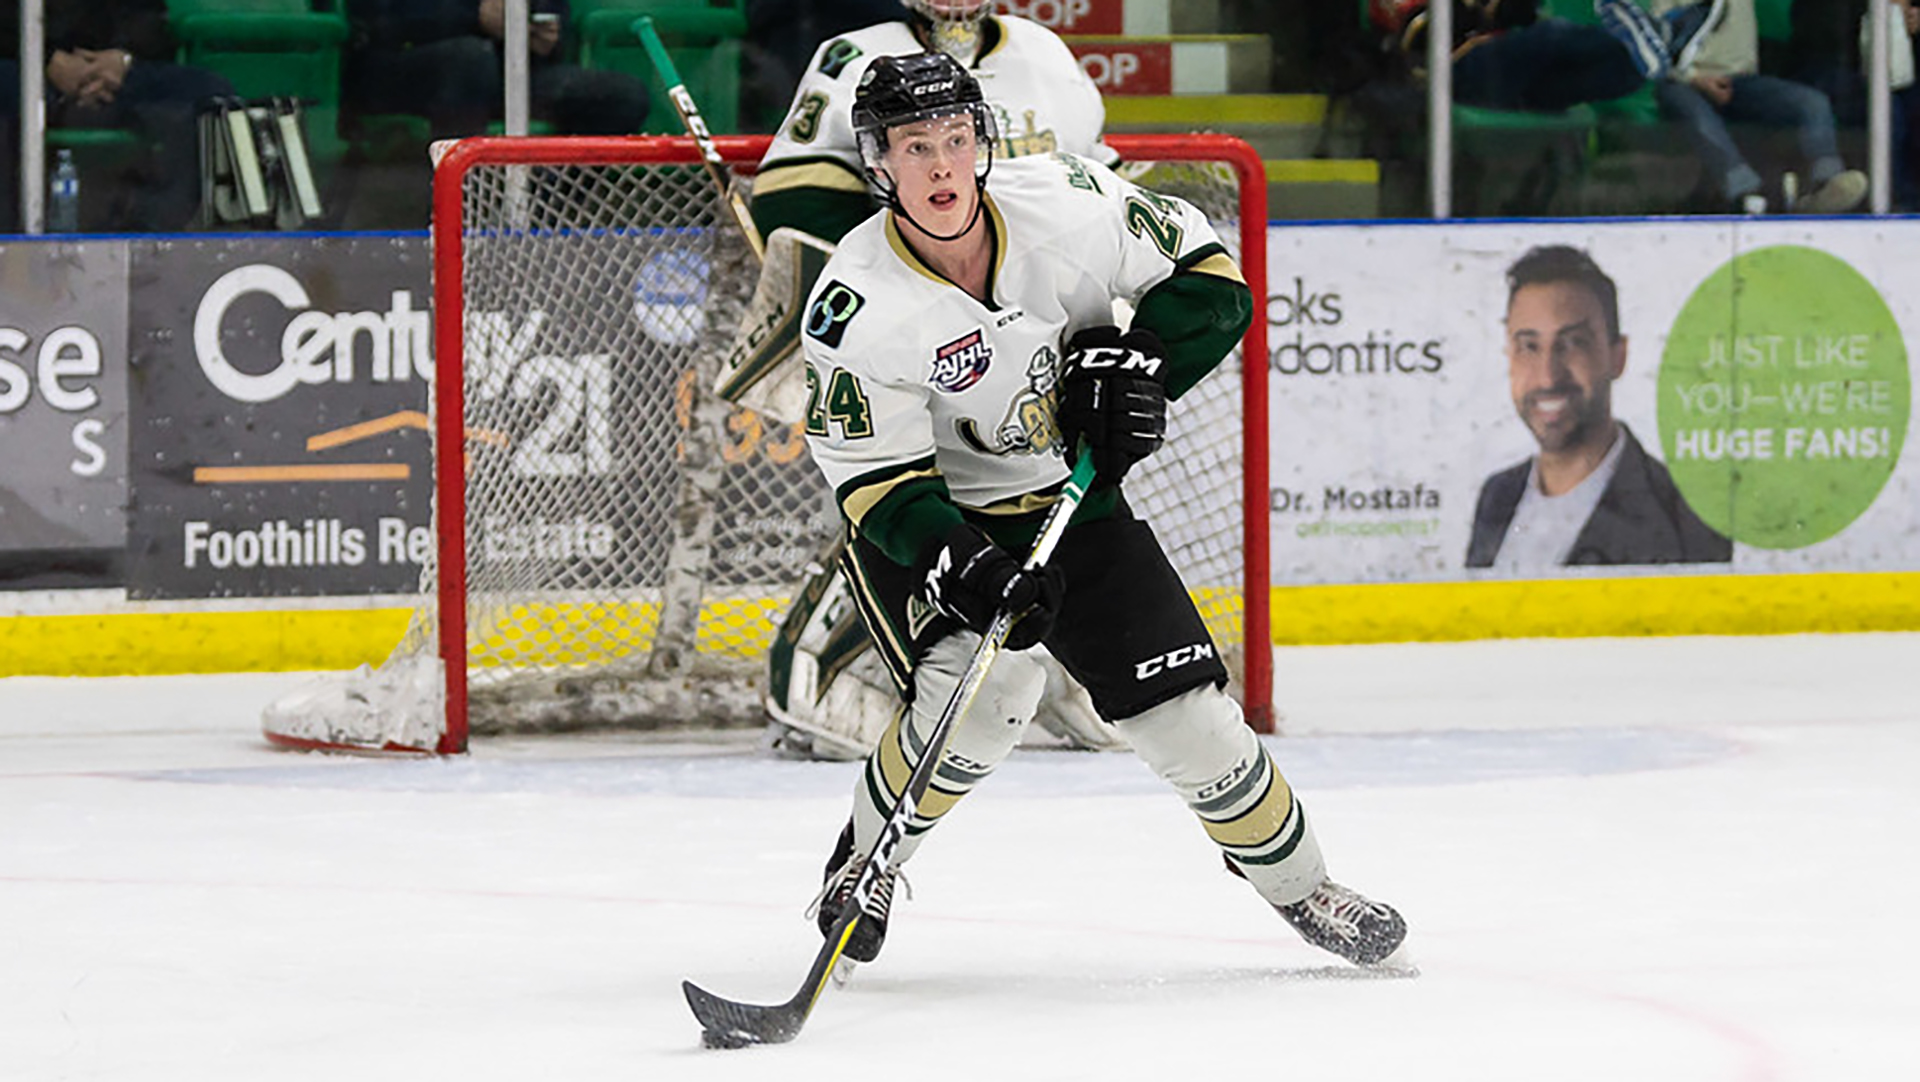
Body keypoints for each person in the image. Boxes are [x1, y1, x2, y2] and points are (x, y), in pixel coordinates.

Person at [795, 52, 1407, 971]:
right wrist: (961, 558)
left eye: (956, 141)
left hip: (1072, 499)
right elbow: (878, 482)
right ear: (878, 163)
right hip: (937, 521)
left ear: (982, 143)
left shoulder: (1068, 202)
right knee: (985, 697)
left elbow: (1210, 273)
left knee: (1190, 722)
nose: (941, 167)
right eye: (915, 147)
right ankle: (862, 869)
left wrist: (1144, 361)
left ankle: (1304, 886)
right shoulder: (857, 307)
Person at [737, 0, 1123, 760]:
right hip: (917, 337)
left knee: (1060, 492)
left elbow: (1097, 186)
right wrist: (903, 283)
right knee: (912, 505)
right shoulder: (855, 54)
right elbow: (793, 193)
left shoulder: (1043, 54)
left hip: (1032, 325)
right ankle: (823, 678)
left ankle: (1074, 671)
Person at [1466, 245, 1732, 570]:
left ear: (1617, 357)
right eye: (1529, 346)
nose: (1548, 376)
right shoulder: (1497, 497)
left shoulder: (1686, 520)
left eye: (1574, 342)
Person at [0, 0, 234, 232]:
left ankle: (156, 236)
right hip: (23, 62)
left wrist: (121, 59)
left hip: (115, 69)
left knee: (209, 91)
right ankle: (9, 236)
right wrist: (46, 59)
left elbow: (149, 20)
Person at [1648, 0, 1870, 212]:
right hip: (1686, 82)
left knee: (1811, 103)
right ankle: (1746, 192)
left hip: (1740, 83)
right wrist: (1695, 78)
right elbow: (1653, 46)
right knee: (1687, 105)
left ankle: (1824, 185)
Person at [341, 0, 649, 141]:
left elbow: (553, 10)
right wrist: (473, 16)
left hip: (506, 72)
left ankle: (552, 213)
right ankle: (459, 212)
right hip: (403, 68)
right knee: (470, 59)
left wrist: (545, 31)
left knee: (621, 96)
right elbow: (376, 18)